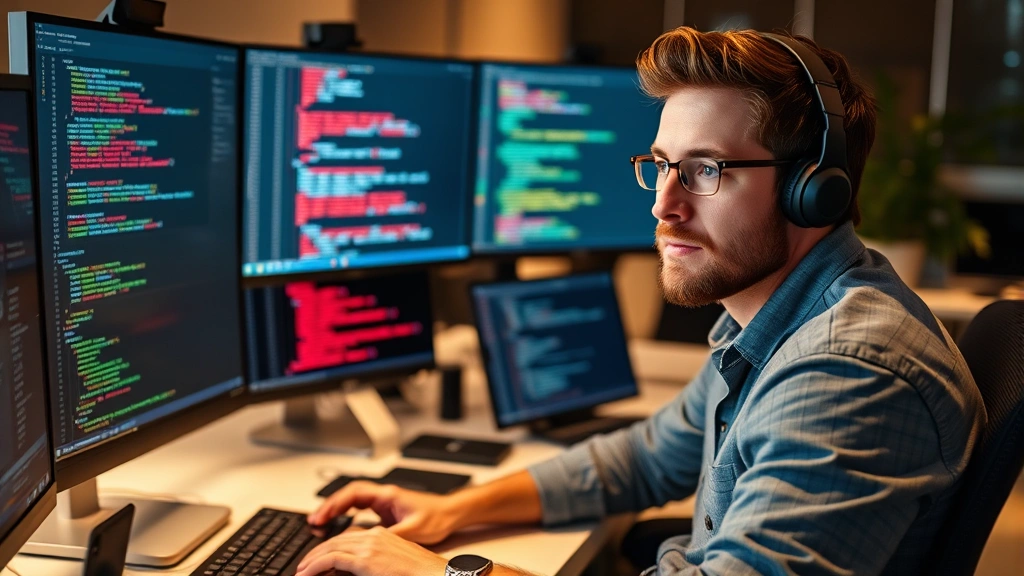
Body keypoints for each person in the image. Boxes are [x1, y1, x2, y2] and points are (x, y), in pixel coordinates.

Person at [295, 27, 986, 576]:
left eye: (705, 170)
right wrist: (452, 511)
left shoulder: (846, 371)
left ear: (814, 187)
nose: (664, 204)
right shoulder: (775, 318)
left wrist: (439, 574)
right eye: (659, 165)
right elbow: (647, 457)